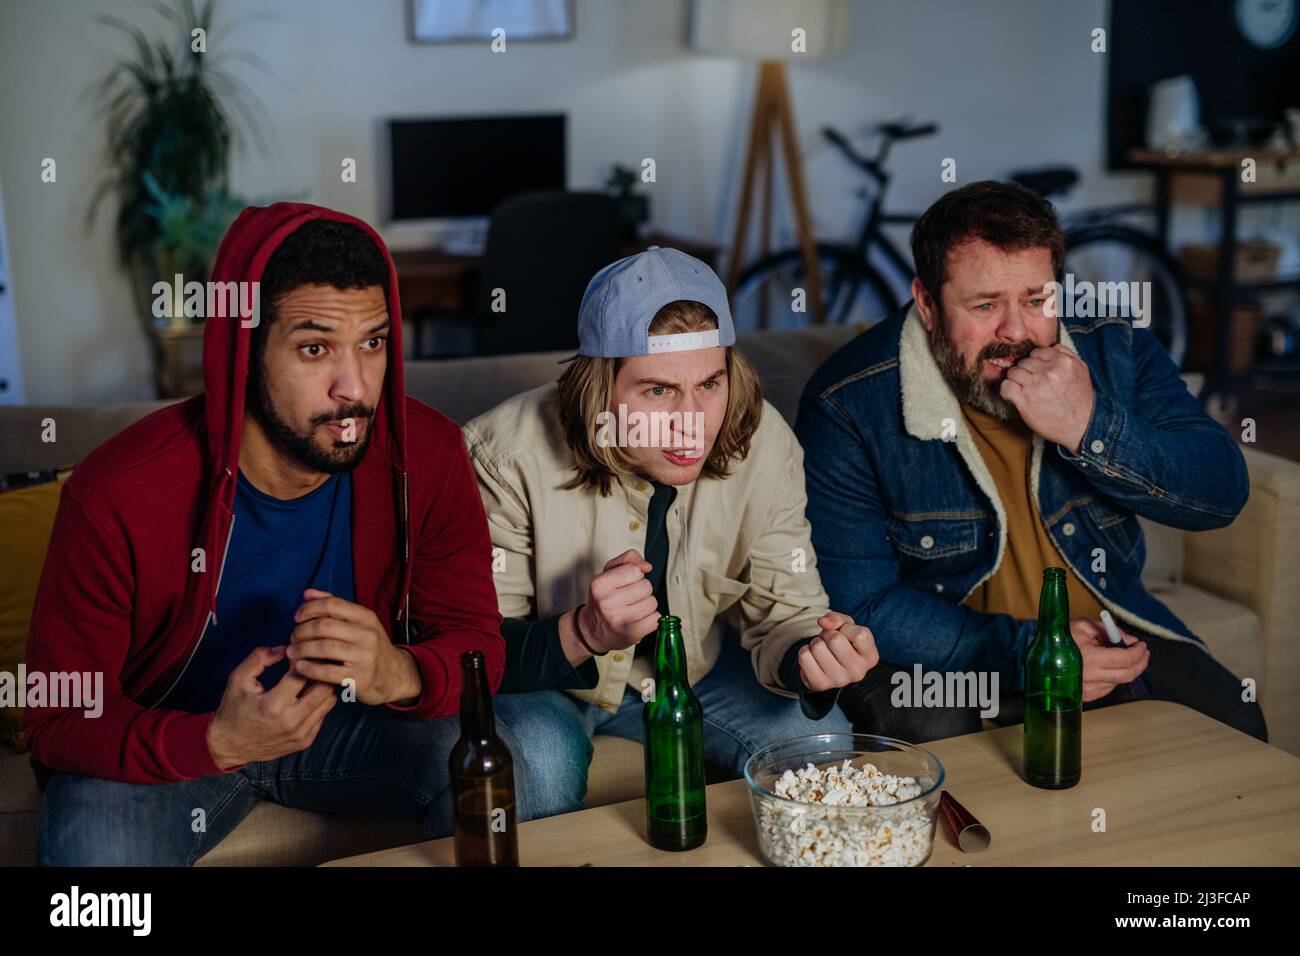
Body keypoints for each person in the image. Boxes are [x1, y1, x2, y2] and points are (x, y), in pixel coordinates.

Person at [26, 204, 531, 865]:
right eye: (315, 348)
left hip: (348, 728)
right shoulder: (117, 492)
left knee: (536, 756)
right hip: (179, 742)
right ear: (246, 350)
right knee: (96, 860)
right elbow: (57, 715)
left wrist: (397, 670)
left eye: (373, 343)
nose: (354, 388)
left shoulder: (428, 454)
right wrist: (216, 742)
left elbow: (477, 647)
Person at [796, 181, 1267, 743]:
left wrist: (1088, 428)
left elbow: (1221, 493)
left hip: (1111, 635)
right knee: (940, 744)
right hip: (951, 665)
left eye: (1036, 300)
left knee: (1234, 724)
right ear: (926, 303)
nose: (1015, 331)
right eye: (986, 305)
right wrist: (1036, 654)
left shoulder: (1116, 348)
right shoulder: (848, 402)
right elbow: (861, 600)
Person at [464, 247, 879, 816]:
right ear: (598, 387)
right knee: (537, 767)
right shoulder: (501, 455)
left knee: (825, 745)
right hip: (548, 690)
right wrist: (585, 631)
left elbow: (787, 610)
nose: (692, 422)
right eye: (658, 391)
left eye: (710, 384)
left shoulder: (766, 442)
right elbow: (474, 648)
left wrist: (813, 656)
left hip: (695, 675)